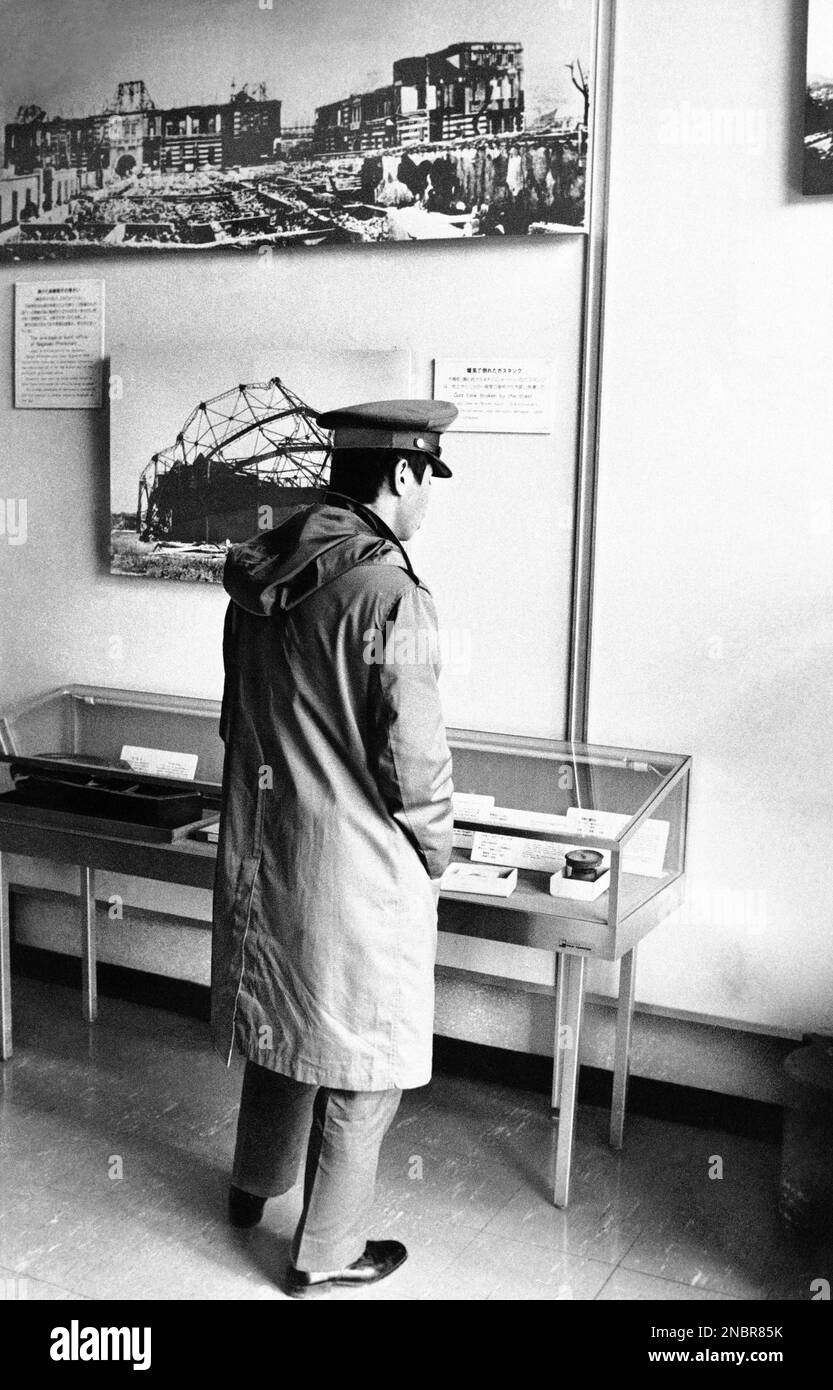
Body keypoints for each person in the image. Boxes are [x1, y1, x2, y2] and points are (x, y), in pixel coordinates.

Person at [211, 399, 456, 1298]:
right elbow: (415, 760)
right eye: (429, 480)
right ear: (401, 475)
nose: (428, 501)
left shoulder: (263, 576)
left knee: (281, 1023)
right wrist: (435, 849)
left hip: (268, 847)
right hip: (358, 866)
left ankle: (251, 1189)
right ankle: (324, 1255)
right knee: (364, 1058)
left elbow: (237, 714)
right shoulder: (392, 594)